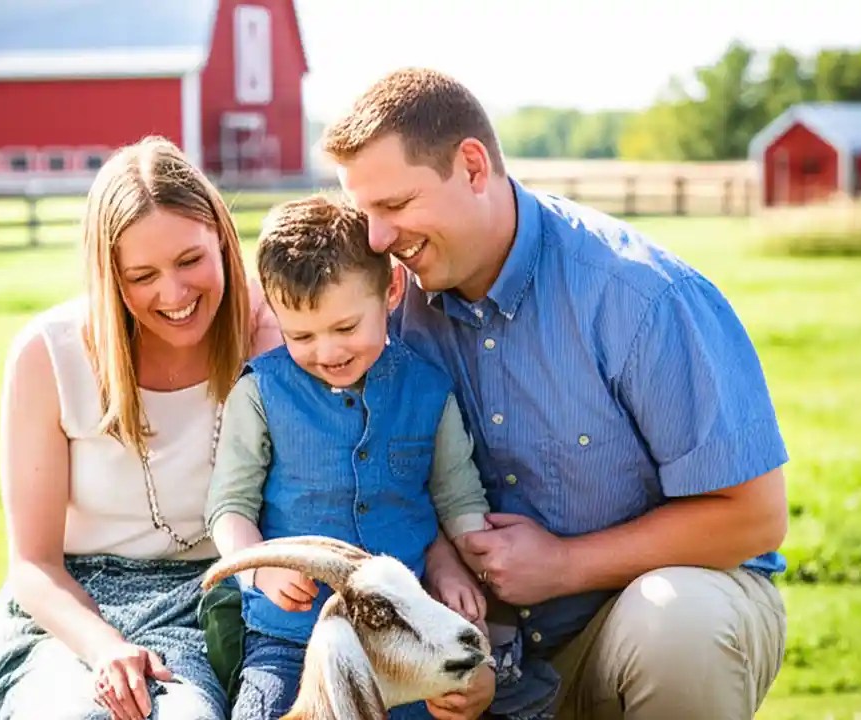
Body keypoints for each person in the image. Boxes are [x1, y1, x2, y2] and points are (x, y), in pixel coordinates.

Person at [320, 67, 791, 720]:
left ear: (473, 167)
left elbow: (755, 517)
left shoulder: (640, 298)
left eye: (395, 206)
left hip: (629, 623)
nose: (376, 239)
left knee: (680, 623)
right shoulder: (382, 311)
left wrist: (566, 565)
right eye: (363, 212)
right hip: (473, 650)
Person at [0, 135, 281, 720]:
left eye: (191, 260)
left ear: (221, 236)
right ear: (111, 276)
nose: (174, 293)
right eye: (142, 276)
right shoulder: (48, 355)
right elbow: (33, 567)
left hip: (208, 602)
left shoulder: (273, 332)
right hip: (71, 615)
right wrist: (106, 648)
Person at [204, 193, 493, 720]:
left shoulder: (428, 390)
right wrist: (260, 572)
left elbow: (455, 495)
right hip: (292, 639)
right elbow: (229, 508)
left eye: (345, 328)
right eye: (301, 335)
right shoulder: (259, 393)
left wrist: (460, 570)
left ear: (391, 291)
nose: (327, 352)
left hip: (405, 635)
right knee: (263, 710)